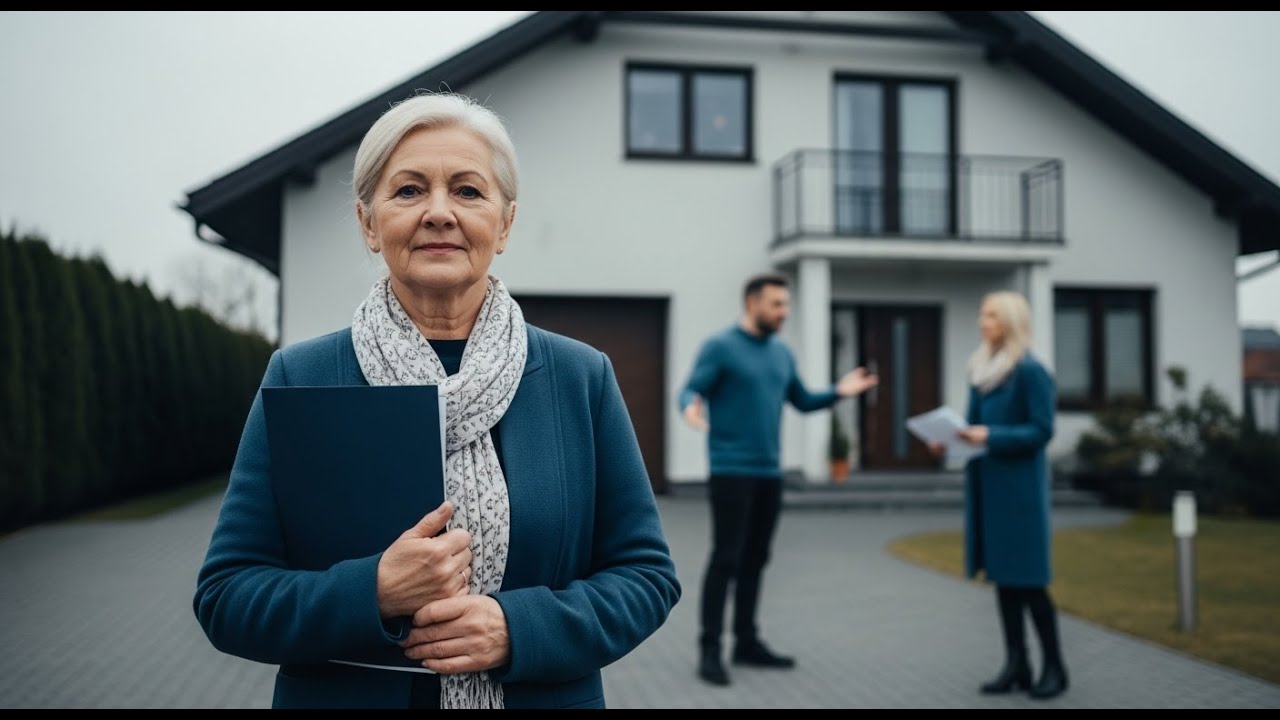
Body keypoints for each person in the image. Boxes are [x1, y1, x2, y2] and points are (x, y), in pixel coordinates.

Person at [193, 91, 681, 710]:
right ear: (370, 223)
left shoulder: (579, 377)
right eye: (409, 190)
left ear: (504, 224)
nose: (439, 212)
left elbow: (646, 577)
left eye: (469, 191)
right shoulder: (302, 376)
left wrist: (518, 628)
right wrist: (371, 591)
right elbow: (227, 597)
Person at [678, 273, 878, 686]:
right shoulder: (721, 347)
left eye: (786, 305)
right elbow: (691, 390)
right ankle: (710, 649)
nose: (784, 312)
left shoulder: (782, 354)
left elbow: (802, 401)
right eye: (776, 304)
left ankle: (747, 642)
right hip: (731, 470)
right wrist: (690, 409)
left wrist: (840, 391)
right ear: (752, 303)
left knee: (756, 559)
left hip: (771, 472)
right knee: (726, 558)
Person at [928, 290, 1068, 700]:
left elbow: (1042, 431)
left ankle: (1056, 667)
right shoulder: (982, 369)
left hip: (1019, 491)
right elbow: (971, 429)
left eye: (989, 314)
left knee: (1029, 581)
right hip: (987, 486)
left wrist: (991, 435)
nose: (981, 321)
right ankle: (1017, 663)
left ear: (1008, 320)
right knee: (1005, 581)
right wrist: (947, 444)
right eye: (981, 313)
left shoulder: (1030, 371)